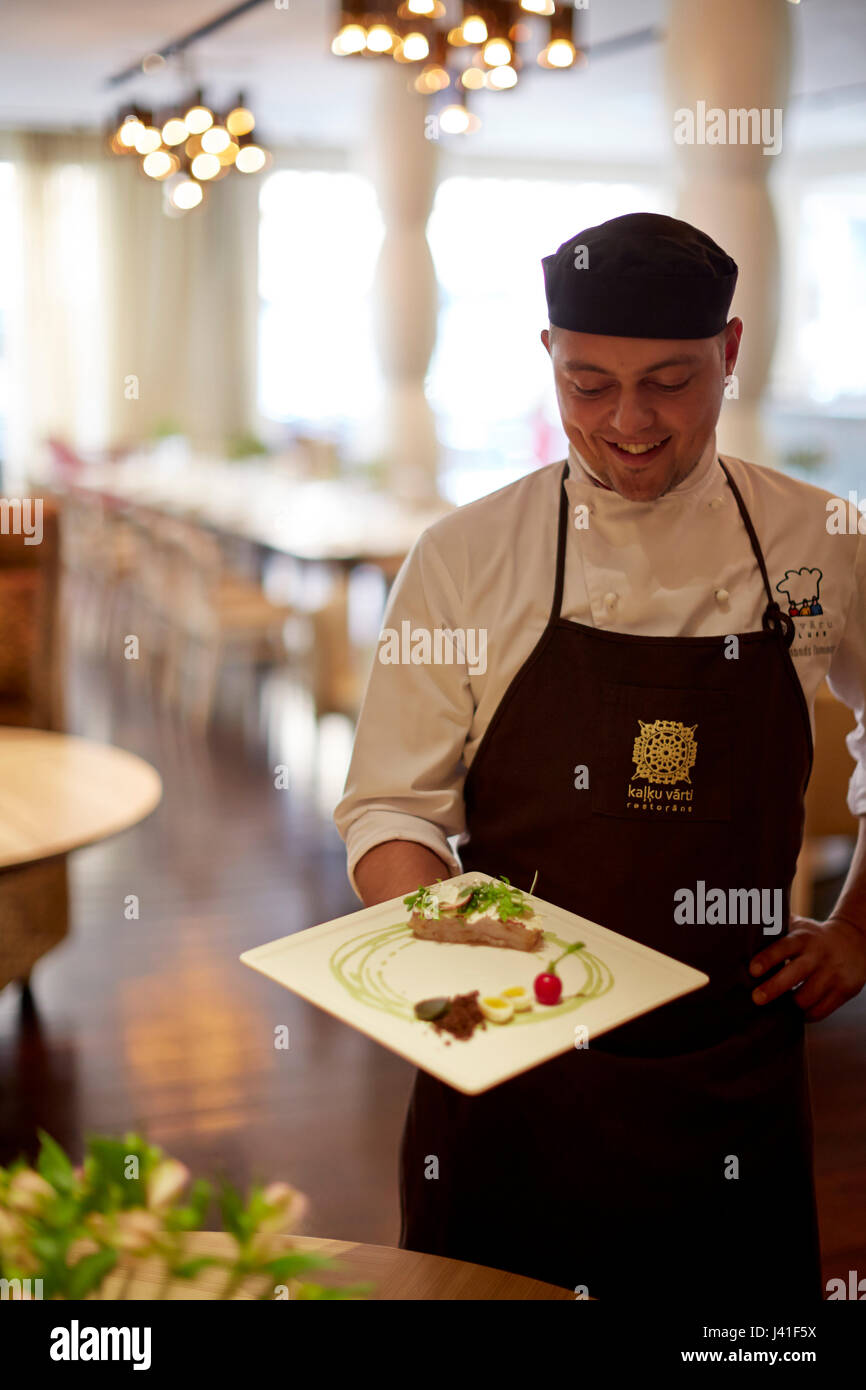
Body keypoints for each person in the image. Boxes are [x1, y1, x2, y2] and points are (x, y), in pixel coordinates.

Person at [335, 212, 866, 1301]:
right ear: (547, 360)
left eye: (669, 382)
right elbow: (390, 806)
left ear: (727, 352)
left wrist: (857, 929)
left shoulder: (823, 536)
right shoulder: (463, 555)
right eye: (587, 385)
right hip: (511, 1067)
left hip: (728, 1062)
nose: (627, 422)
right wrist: (443, 942)